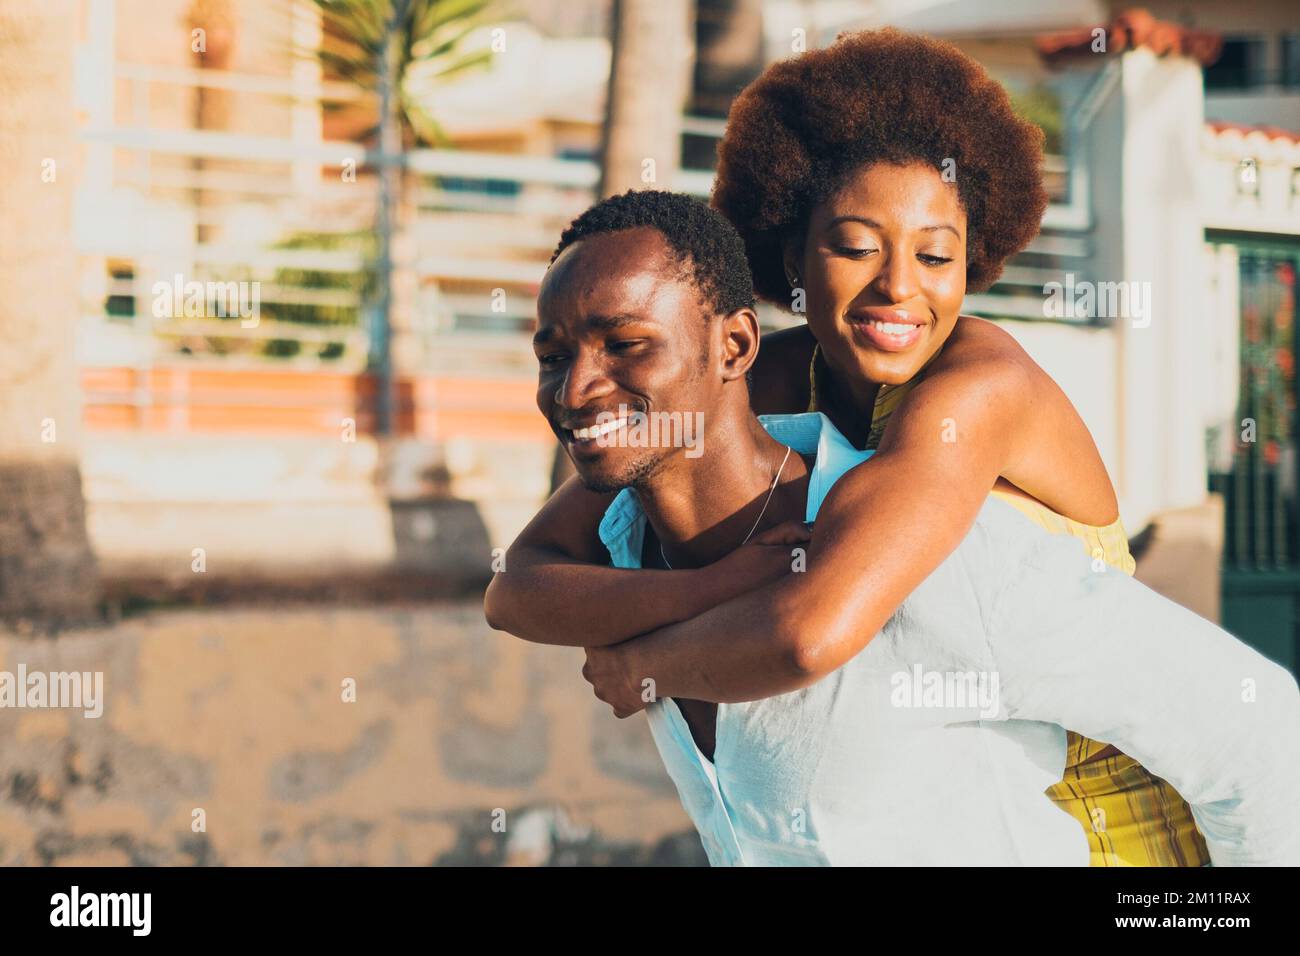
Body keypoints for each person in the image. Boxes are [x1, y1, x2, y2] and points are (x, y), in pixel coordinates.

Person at [488, 28, 1204, 865]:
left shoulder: (980, 388)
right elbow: (517, 587)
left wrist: (642, 668)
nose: (900, 285)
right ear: (792, 253)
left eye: (937, 255)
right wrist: (715, 586)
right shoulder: (776, 372)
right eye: (858, 246)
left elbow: (809, 629)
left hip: (1106, 820)